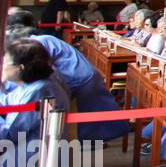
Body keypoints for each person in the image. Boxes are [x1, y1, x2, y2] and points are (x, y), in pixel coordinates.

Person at [4, 10, 131, 142]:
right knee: (91, 114)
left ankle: (94, 141)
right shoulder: (42, 39)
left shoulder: (35, 44)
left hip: (80, 77)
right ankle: (93, 140)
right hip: (78, 76)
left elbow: (36, 70)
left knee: (91, 116)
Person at [2, 39, 71, 167]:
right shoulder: (31, 85)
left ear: (20, 68)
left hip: (35, 156)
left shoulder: (40, 90)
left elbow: (10, 134)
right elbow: (8, 102)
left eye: (5, 63)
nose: (2, 66)